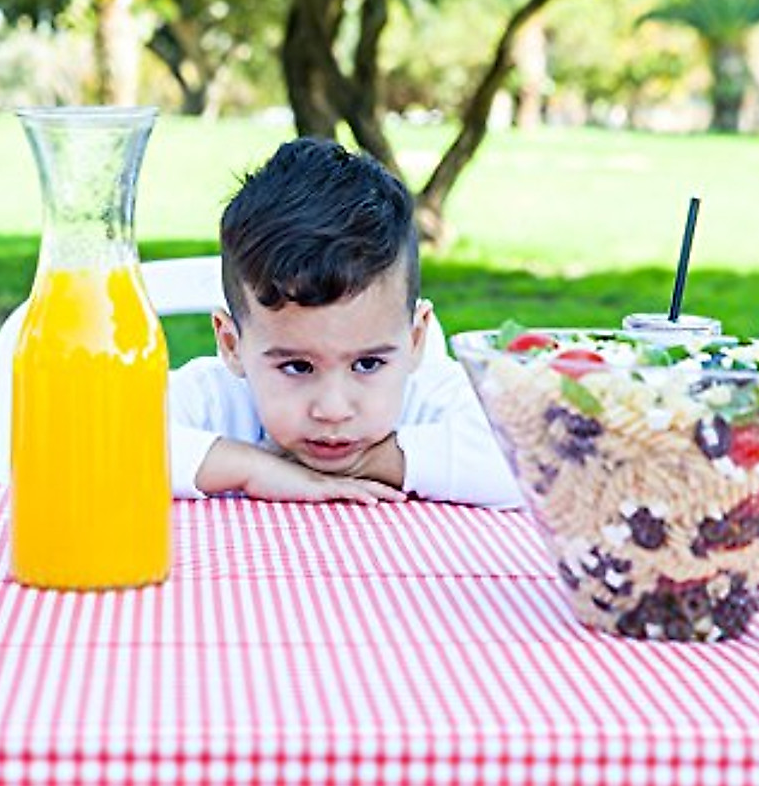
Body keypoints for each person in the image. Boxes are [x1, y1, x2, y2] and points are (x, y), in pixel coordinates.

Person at [168, 137, 522, 509]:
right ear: (231, 344)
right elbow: (106, 444)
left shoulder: (430, 394)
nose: (333, 409)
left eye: (368, 364)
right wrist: (252, 468)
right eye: (297, 366)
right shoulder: (214, 397)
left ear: (416, 338)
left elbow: (538, 463)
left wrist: (376, 463)